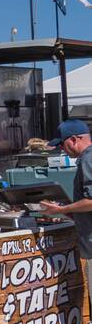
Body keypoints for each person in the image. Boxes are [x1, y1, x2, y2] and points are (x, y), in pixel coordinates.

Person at [40, 121, 92, 304]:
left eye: (62, 145)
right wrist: (68, 212)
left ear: (73, 140)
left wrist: (62, 209)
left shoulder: (88, 159)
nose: (62, 150)